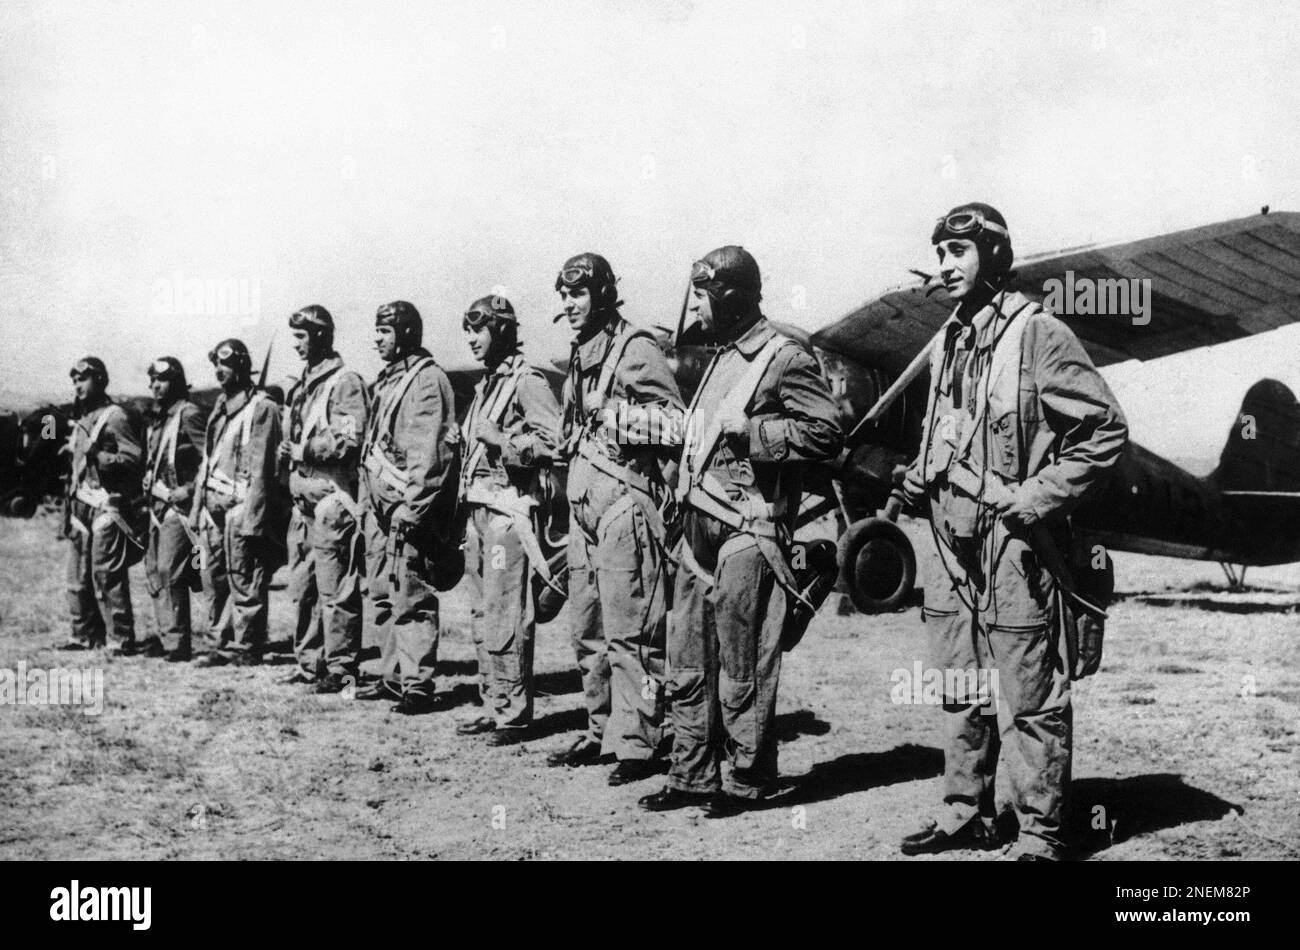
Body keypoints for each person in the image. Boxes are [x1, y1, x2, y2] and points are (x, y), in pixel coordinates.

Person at [888, 203, 1128, 860]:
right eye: (939, 253)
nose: (944, 265)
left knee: (1029, 695)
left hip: (1012, 545)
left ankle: (1042, 834)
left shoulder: (1039, 334)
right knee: (960, 687)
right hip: (948, 544)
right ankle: (967, 812)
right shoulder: (949, 339)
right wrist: (919, 477)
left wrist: (1037, 497)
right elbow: (951, 431)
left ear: (994, 256)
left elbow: (1104, 430)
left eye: (958, 251)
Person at [639, 245, 843, 816]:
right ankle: (692, 774)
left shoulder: (784, 357)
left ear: (728, 296)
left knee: (742, 662)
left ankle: (749, 780)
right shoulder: (721, 357)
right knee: (686, 659)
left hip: (747, 531)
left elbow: (828, 436)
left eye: (701, 297)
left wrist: (753, 430)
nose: (695, 310)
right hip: (697, 532)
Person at [544, 252, 685, 787]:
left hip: (626, 506)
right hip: (585, 511)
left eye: (577, 294)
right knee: (587, 629)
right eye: (563, 295)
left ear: (603, 294)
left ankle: (640, 739)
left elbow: (675, 424)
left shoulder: (636, 348)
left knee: (634, 634)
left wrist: (616, 417)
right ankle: (601, 727)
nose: (569, 304)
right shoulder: (582, 354)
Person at [454, 294, 561, 745]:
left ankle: (514, 712)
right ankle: (494, 702)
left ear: (500, 330)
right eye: (469, 332)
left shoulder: (527, 382)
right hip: (478, 513)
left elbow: (554, 443)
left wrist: (500, 441)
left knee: (505, 614)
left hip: (507, 514)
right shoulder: (487, 386)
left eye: (479, 330)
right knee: (482, 614)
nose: (472, 340)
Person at [356, 301, 457, 715]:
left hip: (405, 510)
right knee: (382, 592)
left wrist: (411, 510)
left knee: (411, 595)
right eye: (376, 331)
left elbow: (430, 455)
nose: (377, 339)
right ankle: (393, 675)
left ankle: (418, 684)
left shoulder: (426, 380)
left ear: (406, 333)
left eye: (385, 331)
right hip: (379, 508)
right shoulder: (389, 379)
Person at [280, 305, 369, 694]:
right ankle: (309, 662)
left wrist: (303, 451)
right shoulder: (304, 384)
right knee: (303, 589)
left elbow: (349, 441)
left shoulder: (345, 382)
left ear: (320, 335)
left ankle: (342, 667)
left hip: (333, 501)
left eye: (302, 336)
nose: (297, 344)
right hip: (303, 501)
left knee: (336, 591)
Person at [193, 339, 284, 667]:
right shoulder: (220, 407)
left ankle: (247, 646)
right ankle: (219, 643)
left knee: (245, 581)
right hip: (212, 508)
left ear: (243, 366)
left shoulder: (263, 408)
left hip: (240, 507)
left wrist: (254, 520)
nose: (219, 369)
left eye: (227, 363)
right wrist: (196, 509)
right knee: (214, 581)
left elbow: (263, 471)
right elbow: (207, 461)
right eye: (216, 363)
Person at [59, 357, 144, 653]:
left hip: (106, 504)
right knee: (78, 575)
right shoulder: (81, 419)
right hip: (81, 503)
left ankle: (119, 638)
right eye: (74, 381)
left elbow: (134, 459)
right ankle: (83, 635)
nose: (77, 385)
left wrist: (101, 457)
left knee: (106, 573)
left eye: (83, 379)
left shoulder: (115, 416)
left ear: (99, 380)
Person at [141, 357, 206, 661]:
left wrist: (190, 489)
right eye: (152, 380)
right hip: (156, 503)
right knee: (155, 570)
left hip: (178, 505)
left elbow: (211, 459)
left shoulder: (189, 414)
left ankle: (178, 643)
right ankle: (168, 638)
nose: (155, 385)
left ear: (177, 382)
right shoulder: (161, 418)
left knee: (171, 570)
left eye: (162, 380)